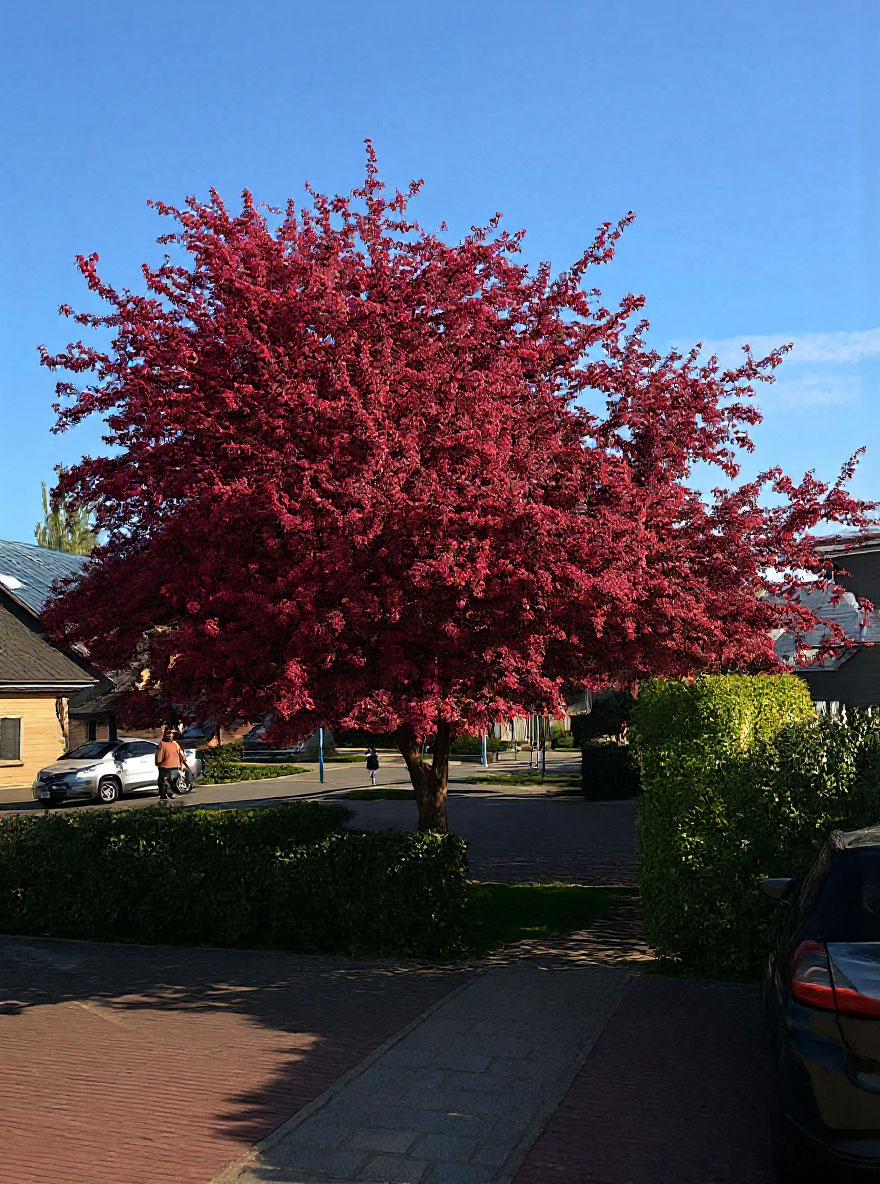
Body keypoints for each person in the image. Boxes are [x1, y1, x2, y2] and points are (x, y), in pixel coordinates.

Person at [155, 726, 185, 800]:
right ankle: (171, 793)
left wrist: (158, 763)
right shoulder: (175, 744)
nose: (171, 735)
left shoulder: (162, 744)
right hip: (175, 765)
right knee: (173, 780)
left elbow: (159, 757)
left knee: (162, 780)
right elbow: (181, 753)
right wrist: (183, 761)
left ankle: (163, 794)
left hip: (165, 766)